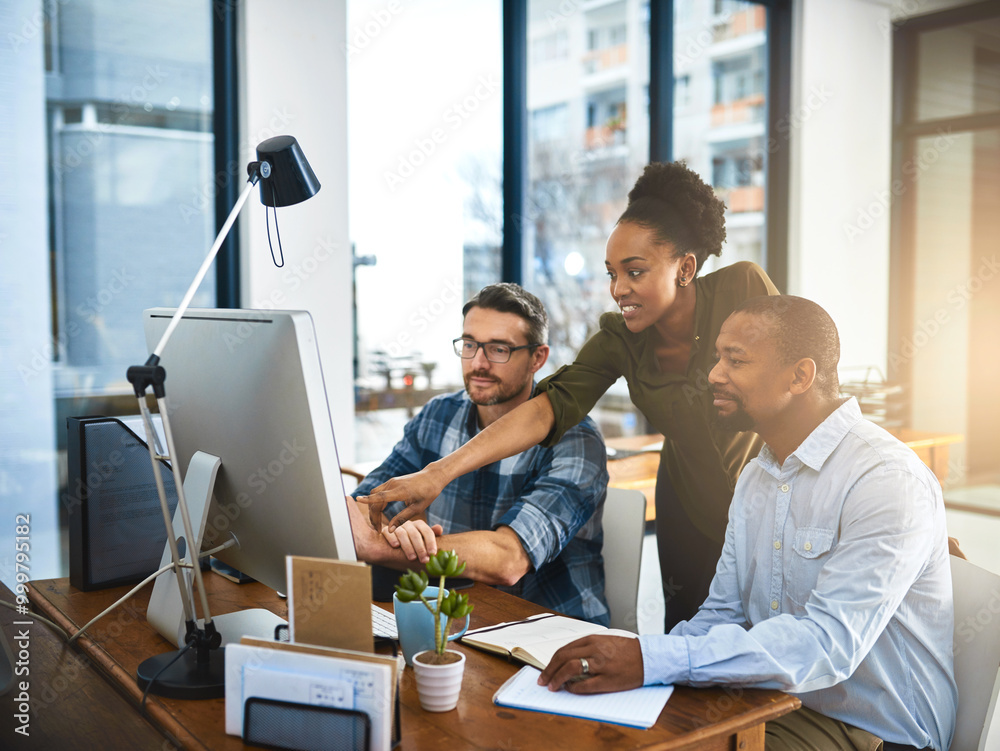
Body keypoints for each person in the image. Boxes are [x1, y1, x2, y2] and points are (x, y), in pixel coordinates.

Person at [360, 161, 779, 628]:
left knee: (777, 622)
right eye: (612, 274)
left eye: (635, 272)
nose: (619, 289)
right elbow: (546, 410)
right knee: (696, 633)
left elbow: (793, 379)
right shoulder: (620, 339)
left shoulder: (741, 288)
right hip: (689, 499)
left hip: (769, 488)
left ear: (684, 267)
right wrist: (438, 474)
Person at [538, 295, 957, 751]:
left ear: (800, 376)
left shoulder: (885, 479)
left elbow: (827, 645)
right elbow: (723, 613)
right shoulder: (758, 474)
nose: (714, 374)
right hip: (770, 700)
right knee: (595, 731)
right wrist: (648, 667)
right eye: (717, 357)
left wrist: (651, 658)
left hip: (875, 731)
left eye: (734, 360)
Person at [347, 283, 611, 625]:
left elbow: (509, 560)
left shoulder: (575, 439)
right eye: (469, 345)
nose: (478, 363)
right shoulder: (438, 415)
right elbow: (366, 508)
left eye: (498, 349)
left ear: (538, 358)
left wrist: (383, 547)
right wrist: (402, 534)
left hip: (553, 633)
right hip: (461, 620)